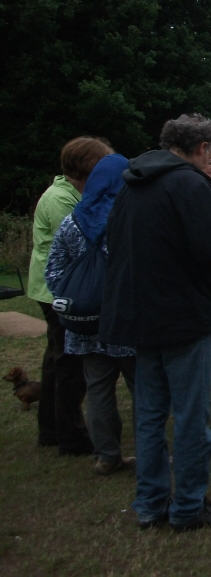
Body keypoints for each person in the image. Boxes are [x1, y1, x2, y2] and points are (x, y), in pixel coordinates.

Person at [101, 113, 211, 531]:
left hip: (140, 318)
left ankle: (150, 504)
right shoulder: (189, 185)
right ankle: (189, 507)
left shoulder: (133, 183)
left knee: (149, 415)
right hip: (182, 318)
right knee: (191, 416)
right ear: (200, 148)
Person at [44, 153, 136, 475]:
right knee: (144, 391)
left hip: (85, 325)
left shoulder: (73, 221)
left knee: (97, 390)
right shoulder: (130, 220)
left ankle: (106, 456)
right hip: (126, 323)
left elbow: (53, 272)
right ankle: (150, 455)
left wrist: (78, 300)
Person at [29, 136, 112, 455]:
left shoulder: (69, 194)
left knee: (58, 360)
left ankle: (52, 429)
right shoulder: (62, 199)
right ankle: (70, 435)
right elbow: (84, 241)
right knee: (69, 364)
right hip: (62, 291)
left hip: (59, 288)